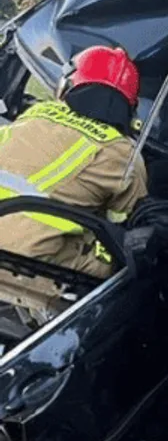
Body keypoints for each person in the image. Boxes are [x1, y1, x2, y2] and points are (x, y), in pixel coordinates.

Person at [0, 45, 149, 324]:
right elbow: (129, 229)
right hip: (28, 267)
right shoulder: (124, 156)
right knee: (119, 269)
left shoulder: (35, 115)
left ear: (68, 84)